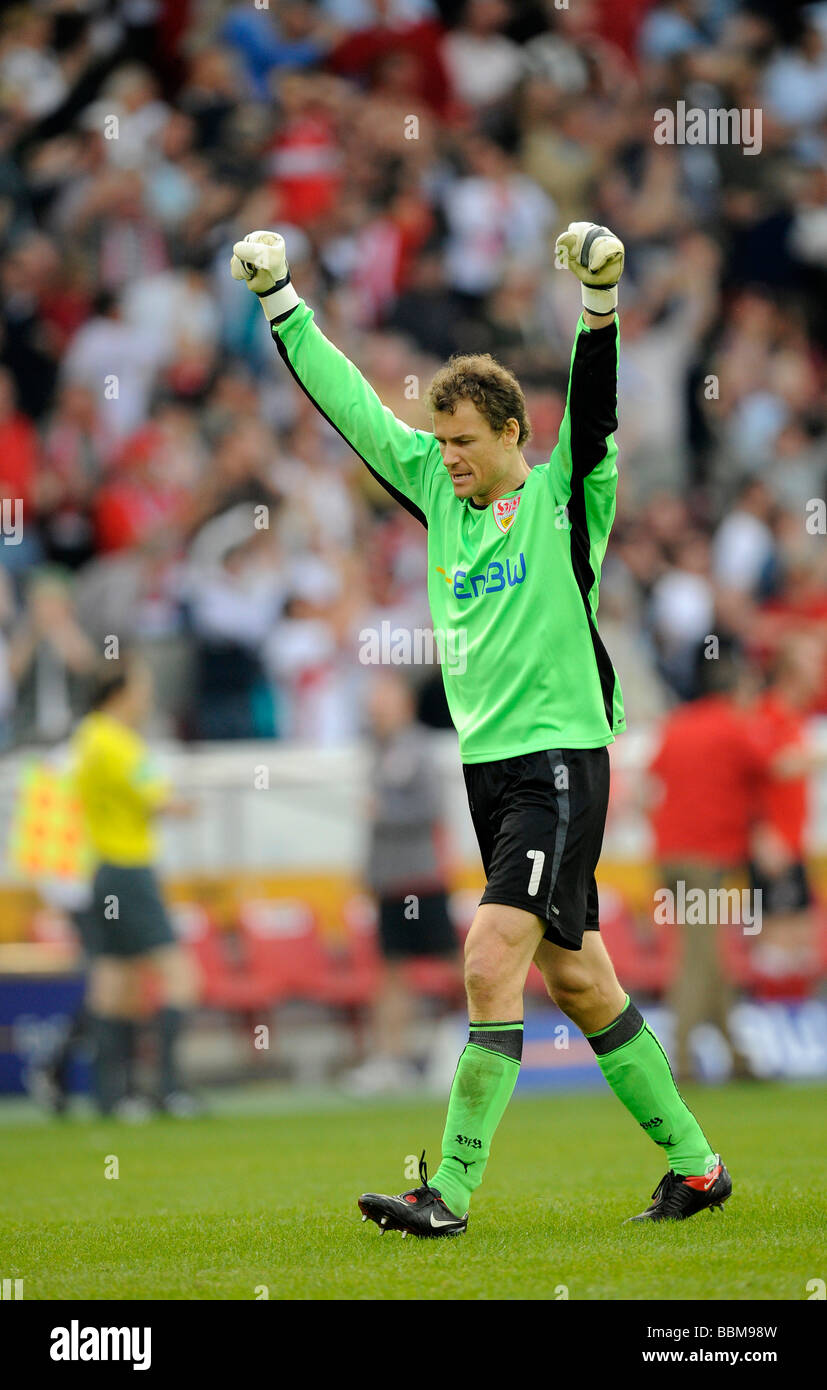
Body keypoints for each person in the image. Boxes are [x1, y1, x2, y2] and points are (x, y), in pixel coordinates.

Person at [230, 221, 732, 1233]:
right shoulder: (434, 492)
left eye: (464, 441)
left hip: (557, 761)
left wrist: (598, 304)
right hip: (488, 770)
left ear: (512, 435)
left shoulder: (564, 497)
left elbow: (594, 412)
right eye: (441, 439)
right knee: (577, 977)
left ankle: (446, 1190)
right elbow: (352, 411)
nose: (446, 456)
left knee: (487, 958)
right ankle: (695, 1166)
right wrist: (281, 299)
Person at [71, 655, 199, 1116]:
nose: (148, 697)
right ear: (120, 693)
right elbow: (161, 799)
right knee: (182, 976)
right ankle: (168, 1089)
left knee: (115, 980)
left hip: (101, 869)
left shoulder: (86, 738)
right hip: (129, 870)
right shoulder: (118, 743)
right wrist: (186, 805)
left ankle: (111, 1096)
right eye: (142, 688)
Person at [647, 646, 764, 1082]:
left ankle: (737, 1058)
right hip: (706, 858)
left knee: (709, 956)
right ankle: (675, 1061)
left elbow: (653, 780)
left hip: (671, 855)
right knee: (698, 959)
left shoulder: (678, 725)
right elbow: (772, 765)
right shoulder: (733, 727)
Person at [343, 671, 461, 1095]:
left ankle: (492, 1038)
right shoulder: (379, 751)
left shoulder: (417, 748)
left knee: (455, 962)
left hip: (421, 877)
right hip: (390, 881)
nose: (375, 710)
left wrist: (385, 810)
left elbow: (430, 809)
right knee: (390, 972)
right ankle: (389, 1058)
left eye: (383, 701)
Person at [750, 632, 827, 975]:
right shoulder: (766, 715)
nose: (819, 671)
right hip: (774, 844)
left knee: (802, 946)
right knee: (778, 951)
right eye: (813, 662)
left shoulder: (793, 718)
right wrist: (761, 832)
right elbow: (763, 770)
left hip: (793, 844)